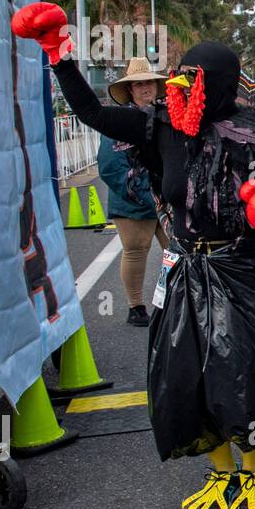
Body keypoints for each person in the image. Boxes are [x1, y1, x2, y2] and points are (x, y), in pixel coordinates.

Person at [13, 2, 255, 509]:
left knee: (243, 372)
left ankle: (253, 472)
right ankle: (220, 470)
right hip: (183, 265)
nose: (186, 84)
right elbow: (94, 115)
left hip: (245, 269)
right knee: (181, 373)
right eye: (183, 75)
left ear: (224, 84)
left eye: (197, 77)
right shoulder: (162, 126)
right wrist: (60, 55)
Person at [97, 58, 170, 326]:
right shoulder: (119, 120)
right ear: (130, 89)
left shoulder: (166, 116)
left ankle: (176, 300)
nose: (145, 88)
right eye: (138, 84)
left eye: (148, 82)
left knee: (177, 250)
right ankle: (136, 306)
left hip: (167, 197)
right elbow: (109, 165)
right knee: (137, 249)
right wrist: (142, 192)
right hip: (132, 198)